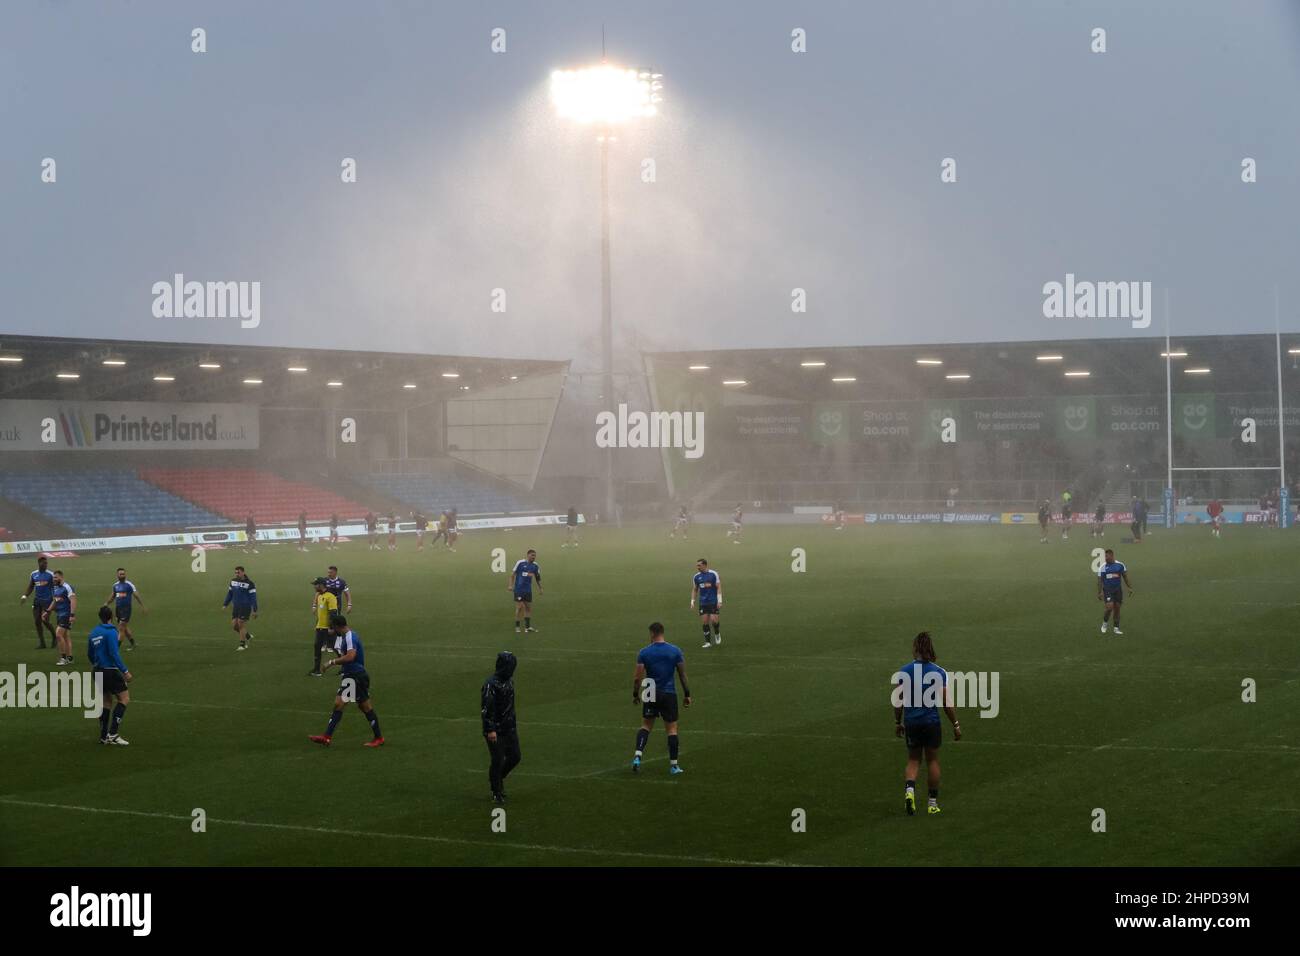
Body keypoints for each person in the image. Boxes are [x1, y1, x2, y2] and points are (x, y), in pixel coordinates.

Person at [892, 631, 961, 815]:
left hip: (912, 722)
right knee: (932, 761)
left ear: (915, 649)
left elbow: (897, 701)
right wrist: (955, 724)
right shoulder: (939, 672)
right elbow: (947, 703)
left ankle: (909, 791)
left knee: (913, 760)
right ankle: (932, 804)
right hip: (931, 722)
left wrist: (897, 722)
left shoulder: (904, 671)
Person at [309, 614, 384, 747]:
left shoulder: (350, 637)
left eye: (333, 628)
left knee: (343, 704)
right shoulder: (348, 635)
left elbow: (350, 657)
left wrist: (331, 662)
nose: (332, 631)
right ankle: (378, 737)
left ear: (338, 626)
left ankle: (327, 737)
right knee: (361, 706)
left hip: (355, 676)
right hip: (353, 675)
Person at [630, 622, 690, 775]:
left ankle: (637, 756)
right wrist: (687, 694)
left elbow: (637, 678)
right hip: (668, 692)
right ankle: (674, 766)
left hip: (650, 690)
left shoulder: (644, 652)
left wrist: (635, 694)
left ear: (651, 634)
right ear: (663, 633)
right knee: (671, 730)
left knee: (646, 726)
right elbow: (682, 675)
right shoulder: (675, 651)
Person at [88, 606, 133, 746]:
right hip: (110, 671)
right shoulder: (111, 632)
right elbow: (114, 653)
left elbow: (89, 654)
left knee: (107, 702)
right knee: (124, 699)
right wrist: (125, 671)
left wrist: (98, 663)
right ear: (111, 617)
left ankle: (103, 737)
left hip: (97, 670)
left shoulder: (94, 632)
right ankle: (113, 733)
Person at [481, 651, 520, 804]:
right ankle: (496, 790)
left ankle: (497, 778)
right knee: (497, 759)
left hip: (509, 727)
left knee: (515, 757)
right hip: (495, 730)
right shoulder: (491, 684)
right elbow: (486, 708)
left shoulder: (509, 681)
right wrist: (490, 729)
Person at [19, 554, 58, 650]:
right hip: (37, 601)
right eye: (44, 563)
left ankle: (54, 637)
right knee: (37, 621)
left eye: (46, 563)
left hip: (48, 601)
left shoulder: (50, 575)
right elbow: (31, 586)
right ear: (39, 564)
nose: (46, 565)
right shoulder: (33, 574)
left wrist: (56, 600)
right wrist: (25, 596)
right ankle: (42, 643)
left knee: (45, 620)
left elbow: (56, 588)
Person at [104, 567, 146, 650]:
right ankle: (133, 643)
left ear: (125, 574)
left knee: (121, 627)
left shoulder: (129, 585)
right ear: (117, 575)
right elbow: (113, 596)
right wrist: (106, 603)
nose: (122, 575)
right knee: (124, 628)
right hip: (118, 609)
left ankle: (116, 647)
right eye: (120, 574)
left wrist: (142, 606)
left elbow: (136, 595)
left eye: (123, 574)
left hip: (126, 609)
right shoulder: (115, 585)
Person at [1097, 548, 1134, 636]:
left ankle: (1116, 628)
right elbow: (1099, 580)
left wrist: (1129, 587)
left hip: (1118, 590)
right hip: (1108, 590)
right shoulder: (1103, 567)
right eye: (1104, 556)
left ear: (1112, 555)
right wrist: (1100, 592)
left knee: (1117, 608)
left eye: (1107, 556)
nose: (1105, 558)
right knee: (1109, 607)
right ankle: (1104, 624)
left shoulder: (1120, 565)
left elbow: (1125, 577)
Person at [308, 577, 339, 677]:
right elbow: (320, 613)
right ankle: (317, 669)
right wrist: (317, 624)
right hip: (320, 627)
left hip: (328, 628)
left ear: (321, 585)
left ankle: (347, 667)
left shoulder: (330, 596)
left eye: (315, 585)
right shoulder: (319, 596)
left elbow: (333, 613)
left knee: (336, 648)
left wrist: (331, 627)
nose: (314, 586)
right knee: (317, 647)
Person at [222, 565, 258, 651]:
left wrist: (255, 610)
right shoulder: (233, 581)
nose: (236, 574)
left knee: (240, 623)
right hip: (236, 607)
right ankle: (247, 636)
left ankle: (243, 645)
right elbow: (230, 593)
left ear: (243, 572)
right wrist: (225, 604)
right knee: (235, 626)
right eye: (235, 572)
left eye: (238, 572)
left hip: (245, 607)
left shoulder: (250, 584)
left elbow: (253, 597)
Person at [45, 570, 77, 666]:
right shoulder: (56, 588)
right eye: (53, 577)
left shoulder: (67, 587)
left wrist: (72, 615)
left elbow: (73, 601)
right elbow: (55, 601)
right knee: (66, 636)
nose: (53, 579)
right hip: (59, 614)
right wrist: (47, 611)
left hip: (66, 615)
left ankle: (63, 658)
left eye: (55, 577)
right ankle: (70, 658)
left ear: (61, 577)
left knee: (58, 634)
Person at [691, 558, 722, 649]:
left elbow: (719, 587)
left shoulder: (713, 574)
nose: (697, 567)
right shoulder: (696, 577)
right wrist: (692, 601)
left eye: (699, 565)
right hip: (703, 602)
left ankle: (717, 633)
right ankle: (708, 642)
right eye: (697, 565)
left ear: (705, 565)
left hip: (713, 601)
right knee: (705, 622)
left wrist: (719, 600)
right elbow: (695, 589)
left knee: (714, 620)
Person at [510, 549, 542, 634]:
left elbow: (537, 577)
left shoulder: (535, 566)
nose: (533, 557)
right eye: (532, 555)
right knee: (520, 607)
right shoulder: (520, 563)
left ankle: (527, 627)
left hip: (528, 590)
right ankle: (517, 626)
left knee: (528, 607)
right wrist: (510, 585)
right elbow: (513, 575)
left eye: (534, 555)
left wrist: (540, 588)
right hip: (519, 589)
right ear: (528, 555)